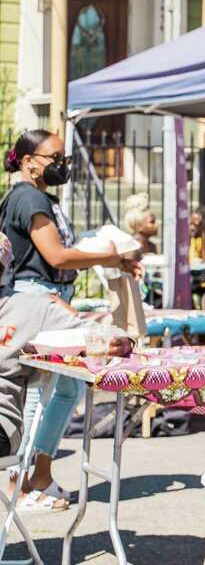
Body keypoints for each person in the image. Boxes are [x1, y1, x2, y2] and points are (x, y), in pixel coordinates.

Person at [0, 130, 137, 510]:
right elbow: (57, 256)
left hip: (45, 300)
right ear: (29, 162)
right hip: (34, 302)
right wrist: (106, 257)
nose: (63, 165)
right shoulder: (28, 196)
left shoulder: (41, 197)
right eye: (55, 157)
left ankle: (35, 475)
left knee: (61, 391)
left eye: (65, 157)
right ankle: (20, 481)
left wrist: (115, 258)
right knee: (32, 393)